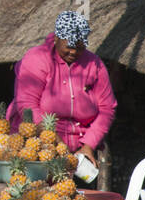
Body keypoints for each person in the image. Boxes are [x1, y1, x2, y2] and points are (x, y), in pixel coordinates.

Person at [6, 11, 117, 168]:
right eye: (70, 47)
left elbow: (107, 108)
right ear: (56, 38)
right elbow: (27, 105)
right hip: (39, 141)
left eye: (80, 48)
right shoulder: (37, 58)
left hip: (80, 146)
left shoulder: (94, 64)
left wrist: (88, 145)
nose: (74, 52)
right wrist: (58, 145)